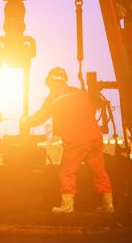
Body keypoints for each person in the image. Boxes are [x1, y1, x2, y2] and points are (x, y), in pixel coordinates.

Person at [22, 67, 114, 214]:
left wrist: (26, 121)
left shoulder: (54, 97)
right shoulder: (80, 92)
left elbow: (40, 117)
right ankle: (108, 205)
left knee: (66, 172)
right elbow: (92, 109)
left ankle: (67, 206)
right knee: (99, 171)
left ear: (51, 82)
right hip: (95, 137)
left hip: (76, 140)